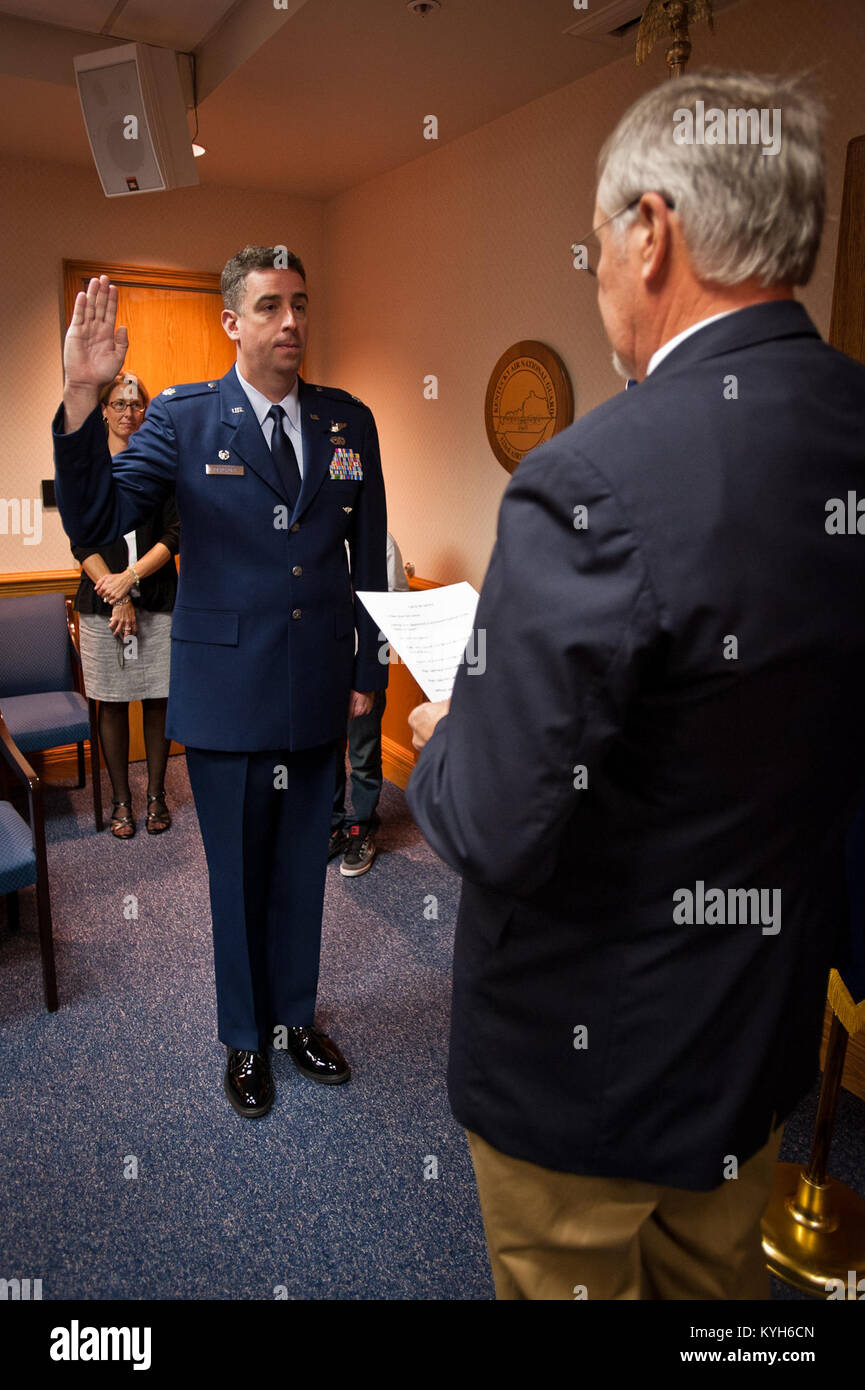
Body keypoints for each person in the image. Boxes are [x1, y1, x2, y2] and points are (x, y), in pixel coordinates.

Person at [407, 70, 865, 1299]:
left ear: (650, 231)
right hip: (755, 1046)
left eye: (596, 240)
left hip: (583, 1081)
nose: (594, 272)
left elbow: (498, 819)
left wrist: (448, 734)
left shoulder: (590, 478)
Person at [53, 246, 387, 1118]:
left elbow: (372, 566)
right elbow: (95, 517)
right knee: (239, 877)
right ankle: (244, 1039)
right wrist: (85, 401)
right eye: (270, 306)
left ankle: (294, 1019)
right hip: (227, 692)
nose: (291, 322)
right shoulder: (182, 420)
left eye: (301, 305)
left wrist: (366, 675)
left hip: (319, 687)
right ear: (232, 322)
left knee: (300, 876)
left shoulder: (349, 422)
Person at [72, 371, 179, 838]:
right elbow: (82, 541)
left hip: (156, 597)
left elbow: (175, 534)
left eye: (137, 406)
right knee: (112, 705)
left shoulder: (163, 465)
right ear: (103, 412)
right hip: (100, 606)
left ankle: (156, 796)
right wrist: (116, 593)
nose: (128, 414)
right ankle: (121, 799)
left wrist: (132, 580)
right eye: (119, 404)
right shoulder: (86, 469)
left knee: (159, 700)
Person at [330, 531, 409, 876]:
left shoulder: (382, 541)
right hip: (321, 668)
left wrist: (369, 680)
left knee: (363, 754)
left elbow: (393, 610)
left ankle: (362, 826)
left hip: (362, 666)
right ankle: (332, 826)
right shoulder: (317, 532)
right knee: (326, 753)